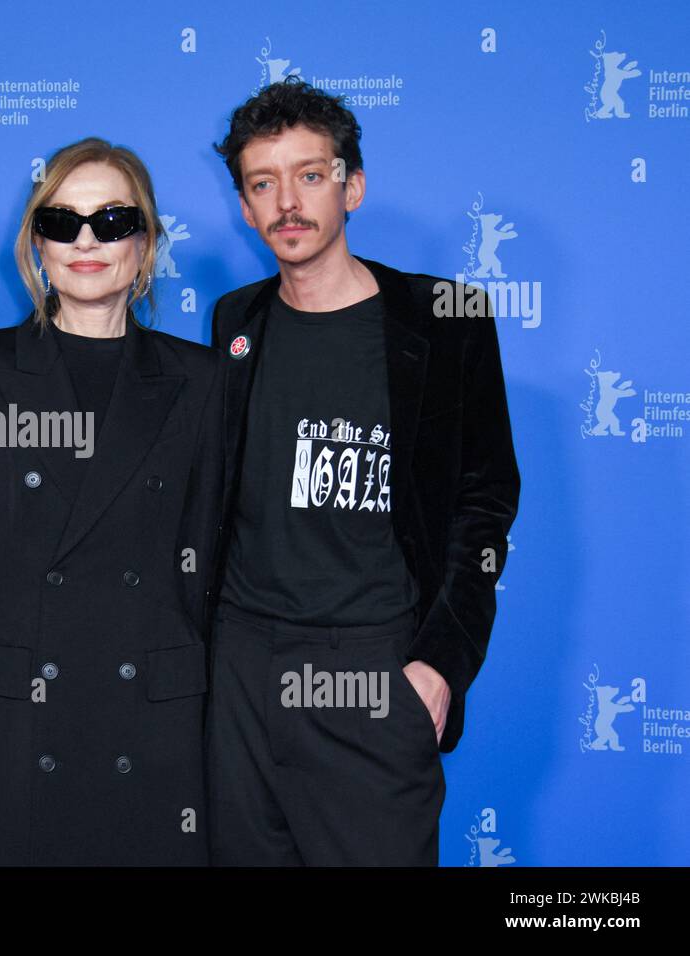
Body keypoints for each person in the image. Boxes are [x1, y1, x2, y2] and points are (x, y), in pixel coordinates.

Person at [205, 77, 520, 866]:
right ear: (244, 206)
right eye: (263, 183)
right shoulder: (233, 322)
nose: (287, 202)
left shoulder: (446, 321)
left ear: (353, 186)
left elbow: (485, 505)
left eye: (310, 175)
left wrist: (440, 666)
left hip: (373, 671)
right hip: (242, 667)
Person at [0, 137, 225, 865]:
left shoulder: (200, 381)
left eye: (112, 222)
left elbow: (208, 572)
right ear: (35, 243)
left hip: (154, 725)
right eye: (61, 222)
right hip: (11, 724)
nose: (86, 241)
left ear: (144, 245)